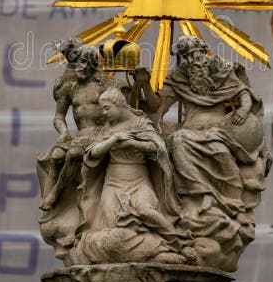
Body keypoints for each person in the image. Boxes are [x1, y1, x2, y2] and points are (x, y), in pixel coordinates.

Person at [135, 35, 271, 272]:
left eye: (195, 53)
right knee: (177, 140)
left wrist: (244, 110)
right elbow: (158, 106)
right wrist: (144, 84)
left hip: (221, 131)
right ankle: (199, 195)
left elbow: (243, 93)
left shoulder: (220, 70)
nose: (192, 59)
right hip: (190, 131)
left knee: (219, 150)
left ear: (203, 51)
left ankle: (226, 200)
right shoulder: (180, 77)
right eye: (186, 55)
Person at [70, 87, 194, 265]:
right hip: (112, 184)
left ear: (119, 105)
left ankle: (178, 243)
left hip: (138, 181)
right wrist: (113, 140)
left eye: (106, 108)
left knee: (146, 211)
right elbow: (92, 154)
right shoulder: (109, 129)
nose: (103, 113)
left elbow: (157, 148)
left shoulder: (140, 124)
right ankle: (128, 250)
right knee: (110, 223)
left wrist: (132, 143)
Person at [37, 43, 122, 261]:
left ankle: (55, 193)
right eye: (78, 62)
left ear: (94, 65)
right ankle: (53, 208)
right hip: (79, 134)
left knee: (74, 155)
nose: (80, 67)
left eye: (85, 62)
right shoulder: (70, 88)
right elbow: (58, 116)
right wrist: (63, 132)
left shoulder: (105, 85)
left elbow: (118, 112)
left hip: (100, 133)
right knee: (52, 157)